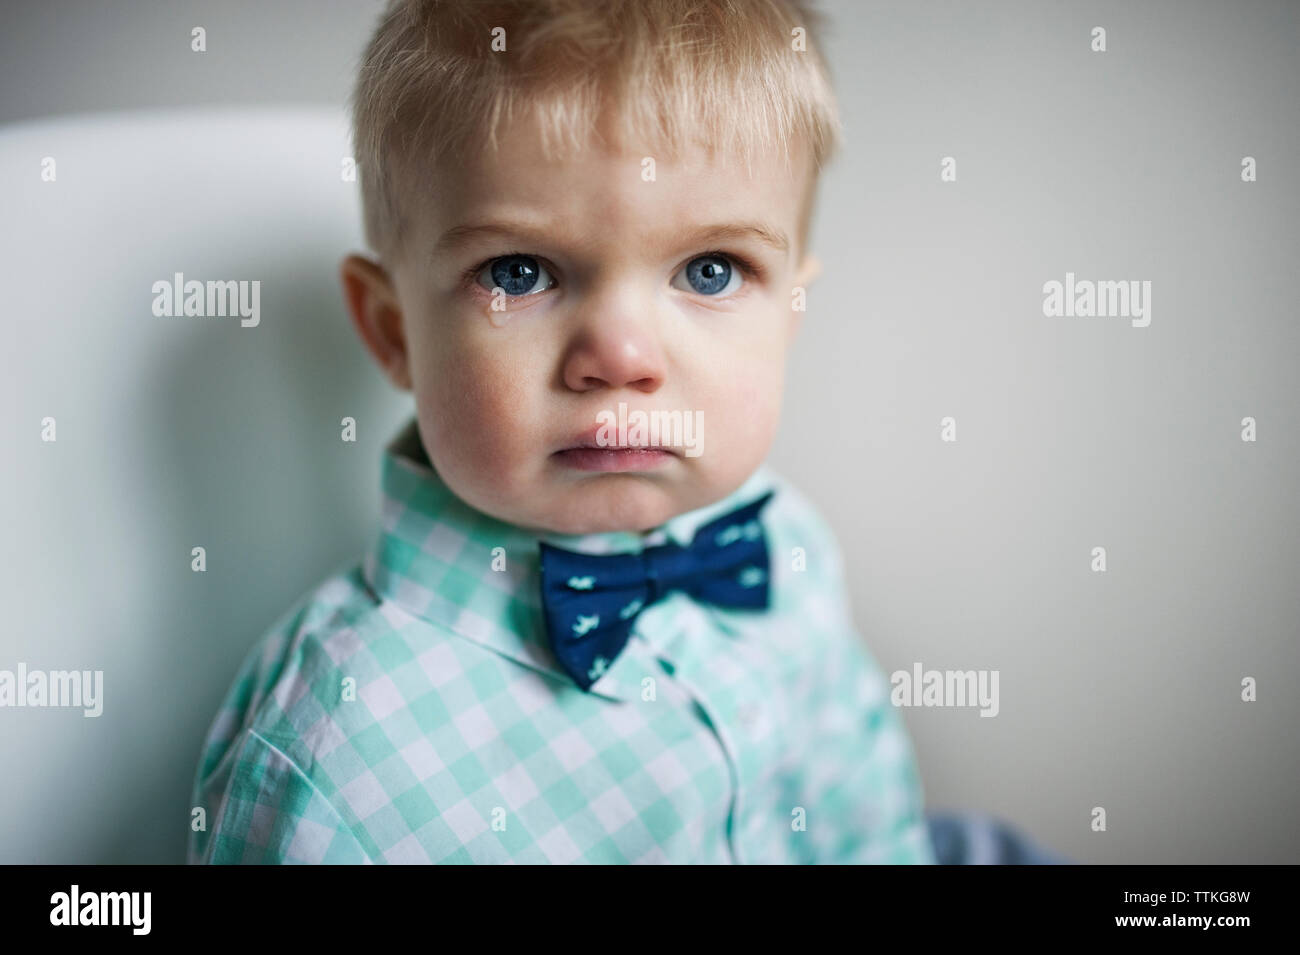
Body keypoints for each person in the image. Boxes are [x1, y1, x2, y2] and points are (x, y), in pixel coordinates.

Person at [187, 0, 1058, 864]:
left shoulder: (783, 544)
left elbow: (869, 826)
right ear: (393, 331)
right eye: (519, 271)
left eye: (711, 270)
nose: (623, 355)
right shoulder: (340, 755)